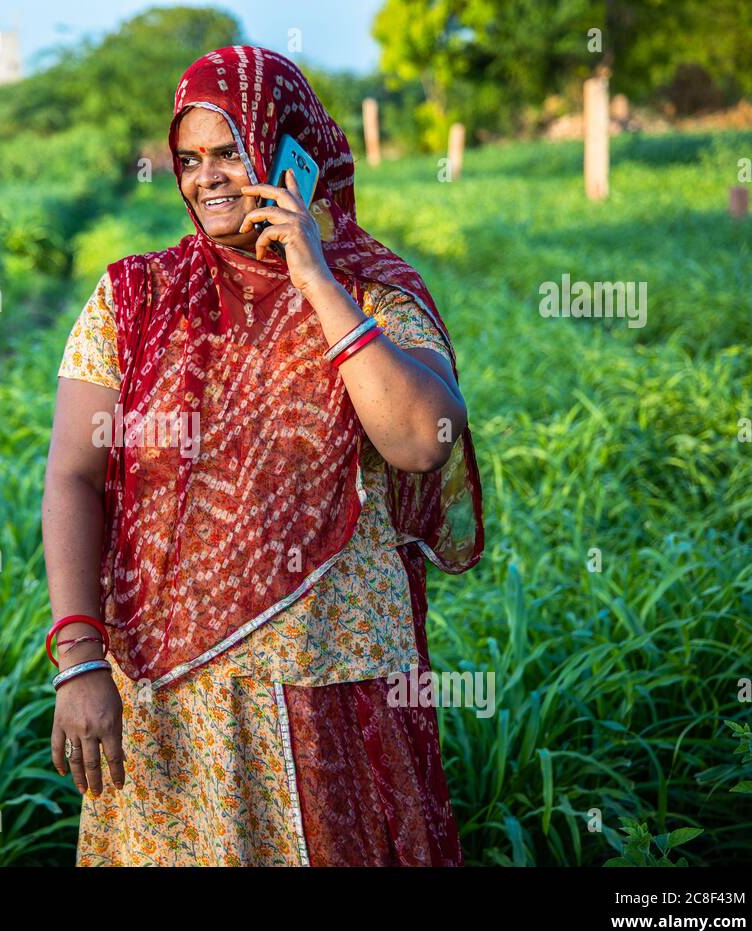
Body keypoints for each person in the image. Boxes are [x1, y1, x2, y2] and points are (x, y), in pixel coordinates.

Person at [41, 45, 484, 866]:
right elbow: (74, 476)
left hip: (329, 686)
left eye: (231, 152)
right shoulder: (133, 299)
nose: (207, 179)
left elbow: (424, 440)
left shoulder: (374, 294)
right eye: (189, 160)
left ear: (289, 154)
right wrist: (78, 660)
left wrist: (313, 273)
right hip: (177, 701)